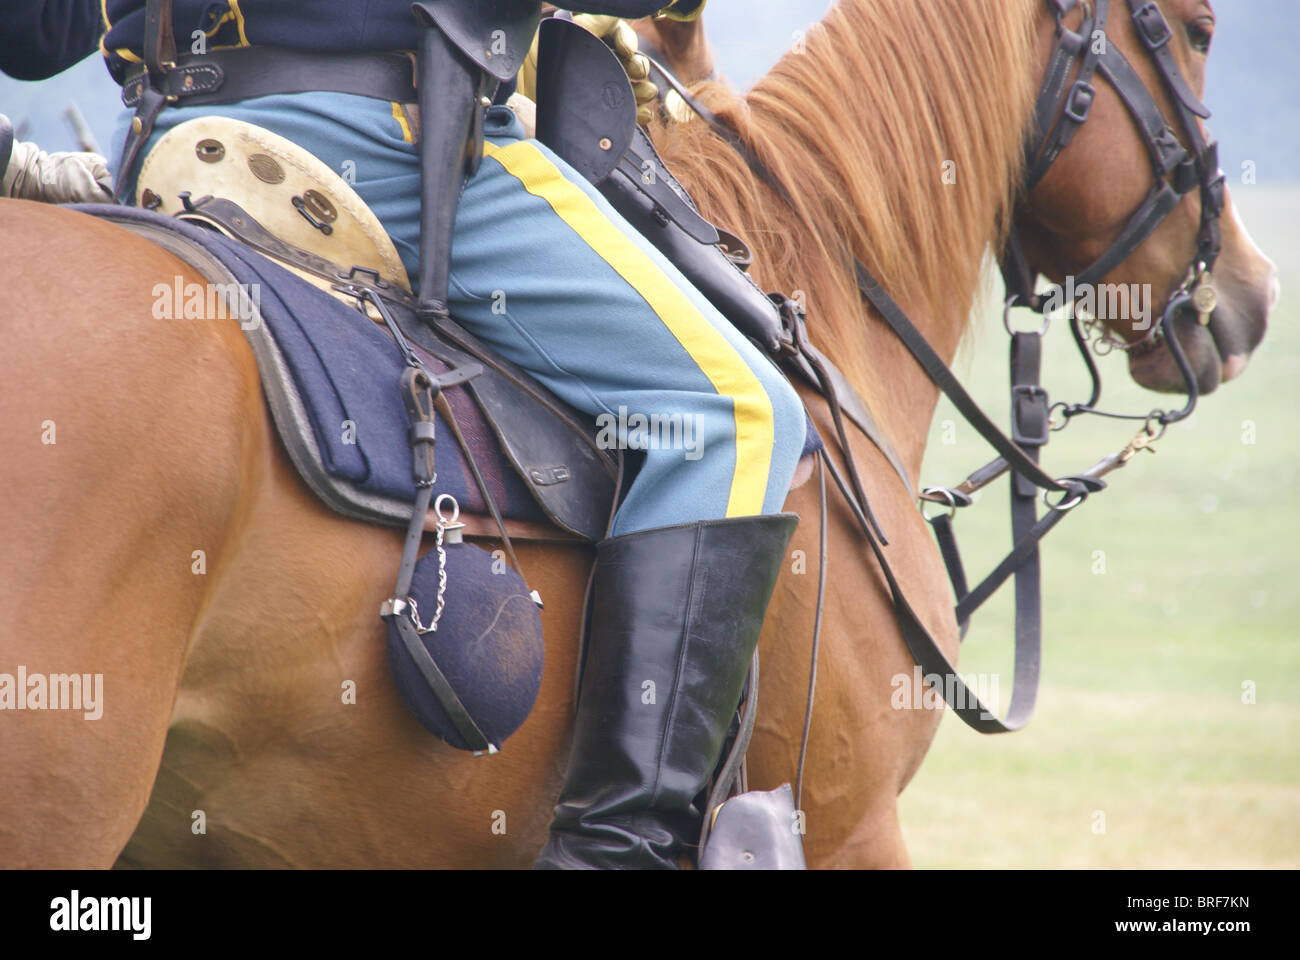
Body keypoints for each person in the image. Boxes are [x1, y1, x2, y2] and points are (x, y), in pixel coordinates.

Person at [20, 0, 806, 869]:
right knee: (740, 415)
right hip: (383, 146)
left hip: (174, 148)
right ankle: (618, 848)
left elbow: (32, 34)